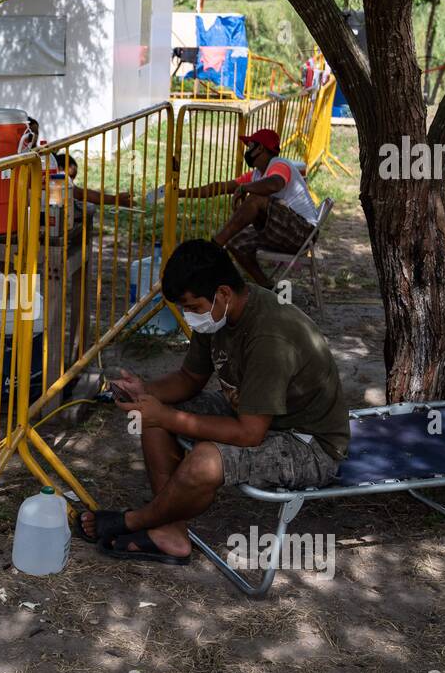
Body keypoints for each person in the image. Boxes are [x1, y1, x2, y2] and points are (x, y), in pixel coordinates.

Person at [78, 239, 349, 564]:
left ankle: (134, 520)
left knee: (204, 459)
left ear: (222, 293)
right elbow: (189, 379)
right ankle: (171, 532)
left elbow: (250, 434)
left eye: (191, 308)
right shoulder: (218, 314)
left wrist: (166, 416)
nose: (189, 317)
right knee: (152, 414)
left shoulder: (269, 337)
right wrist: (144, 390)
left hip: (308, 444)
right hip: (258, 417)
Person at [178, 128, 319, 288]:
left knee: (257, 198)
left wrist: (246, 188)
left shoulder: (279, 164)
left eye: (250, 145)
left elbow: (274, 184)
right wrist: (181, 193)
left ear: (260, 148)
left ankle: (213, 247)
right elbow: (219, 187)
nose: (247, 150)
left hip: (304, 233)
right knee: (236, 243)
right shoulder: (257, 175)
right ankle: (268, 287)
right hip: (288, 231)